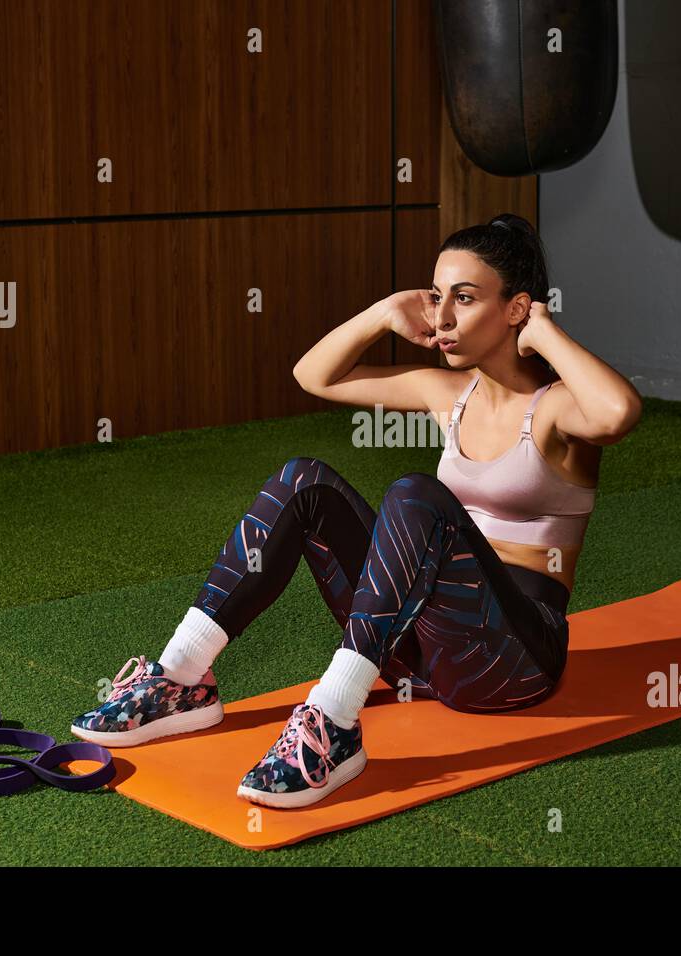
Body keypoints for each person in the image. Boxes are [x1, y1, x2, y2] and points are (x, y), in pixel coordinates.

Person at [71, 213, 642, 808]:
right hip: (422, 655)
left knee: (415, 494)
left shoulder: (557, 411)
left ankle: (334, 722)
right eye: (437, 296)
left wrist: (544, 332)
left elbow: (618, 412)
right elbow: (313, 375)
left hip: (512, 663)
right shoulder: (449, 392)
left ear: (516, 308)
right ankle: (181, 679)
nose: (441, 317)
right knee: (304, 481)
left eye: (465, 299)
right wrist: (383, 312)